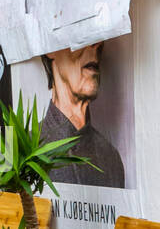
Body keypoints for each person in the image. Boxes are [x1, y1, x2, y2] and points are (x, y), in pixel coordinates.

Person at [40, 42, 124, 188]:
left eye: (99, 36)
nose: (96, 45)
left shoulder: (111, 158)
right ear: (50, 48)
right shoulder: (17, 149)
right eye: (82, 33)